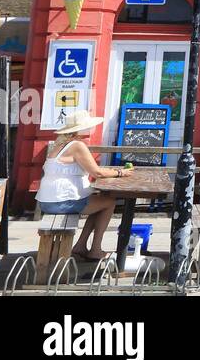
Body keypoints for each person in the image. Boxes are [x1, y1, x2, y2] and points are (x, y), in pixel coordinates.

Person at [36, 108, 132, 262]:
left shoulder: (61, 144)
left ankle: (81, 246)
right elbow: (97, 173)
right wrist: (120, 173)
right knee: (109, 203)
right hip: (60, 202)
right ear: (80, 128)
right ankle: (95, 250)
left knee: (99, 201)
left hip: (48, 201)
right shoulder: (77, 145)